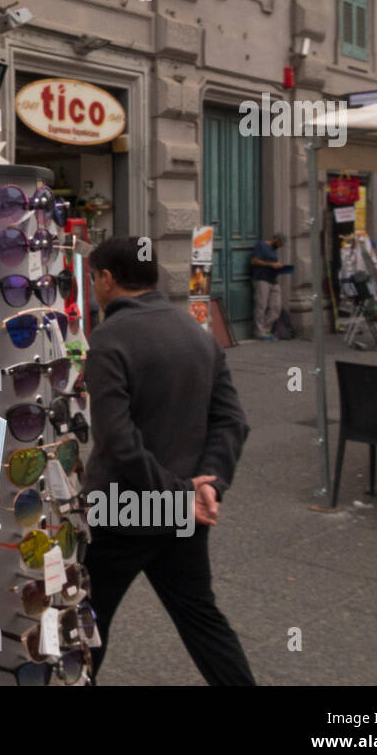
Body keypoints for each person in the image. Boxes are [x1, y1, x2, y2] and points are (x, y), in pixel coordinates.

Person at [83, 236, 255, 685]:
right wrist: (208, 486)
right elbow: (232, 420)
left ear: (108, 279)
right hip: (184, 512)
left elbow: (119, 442)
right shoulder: (197, 333)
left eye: (94, 277)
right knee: (202, 620)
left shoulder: (108, 339)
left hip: (122, 511)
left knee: (87, 627)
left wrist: (183, 496)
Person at [250, 233, 285, 340]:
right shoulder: (262, 246)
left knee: (276, 307)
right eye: (280, 243)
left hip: (273, 280)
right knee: (261, 306)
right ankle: (259, 332)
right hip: (261, 279)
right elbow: (254, 260)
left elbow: (272, 261)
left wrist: (278, 265)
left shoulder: (274, 249)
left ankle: (265, 330)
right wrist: (271, 265)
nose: (280, 246)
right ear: (275, 239)